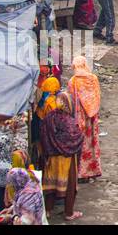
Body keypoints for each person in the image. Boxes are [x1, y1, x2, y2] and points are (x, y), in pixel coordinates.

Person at [40, 90, 83, 220]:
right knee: (70, 185)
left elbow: (43, 134)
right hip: (66, 159)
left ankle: (47, 210)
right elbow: (75, 137)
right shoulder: (69, 121)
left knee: (50, 185)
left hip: (52, 157)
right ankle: (69, 213)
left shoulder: (49, 117)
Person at [68, 57, 101, 182]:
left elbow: (71, 100)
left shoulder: (73, 81)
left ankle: (81, 173)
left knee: (81, 143)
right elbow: (97, 97)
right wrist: (92, 110)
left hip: (79, 117)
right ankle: (93, 170)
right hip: (92, 118)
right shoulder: (93, 79)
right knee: (92, 141)